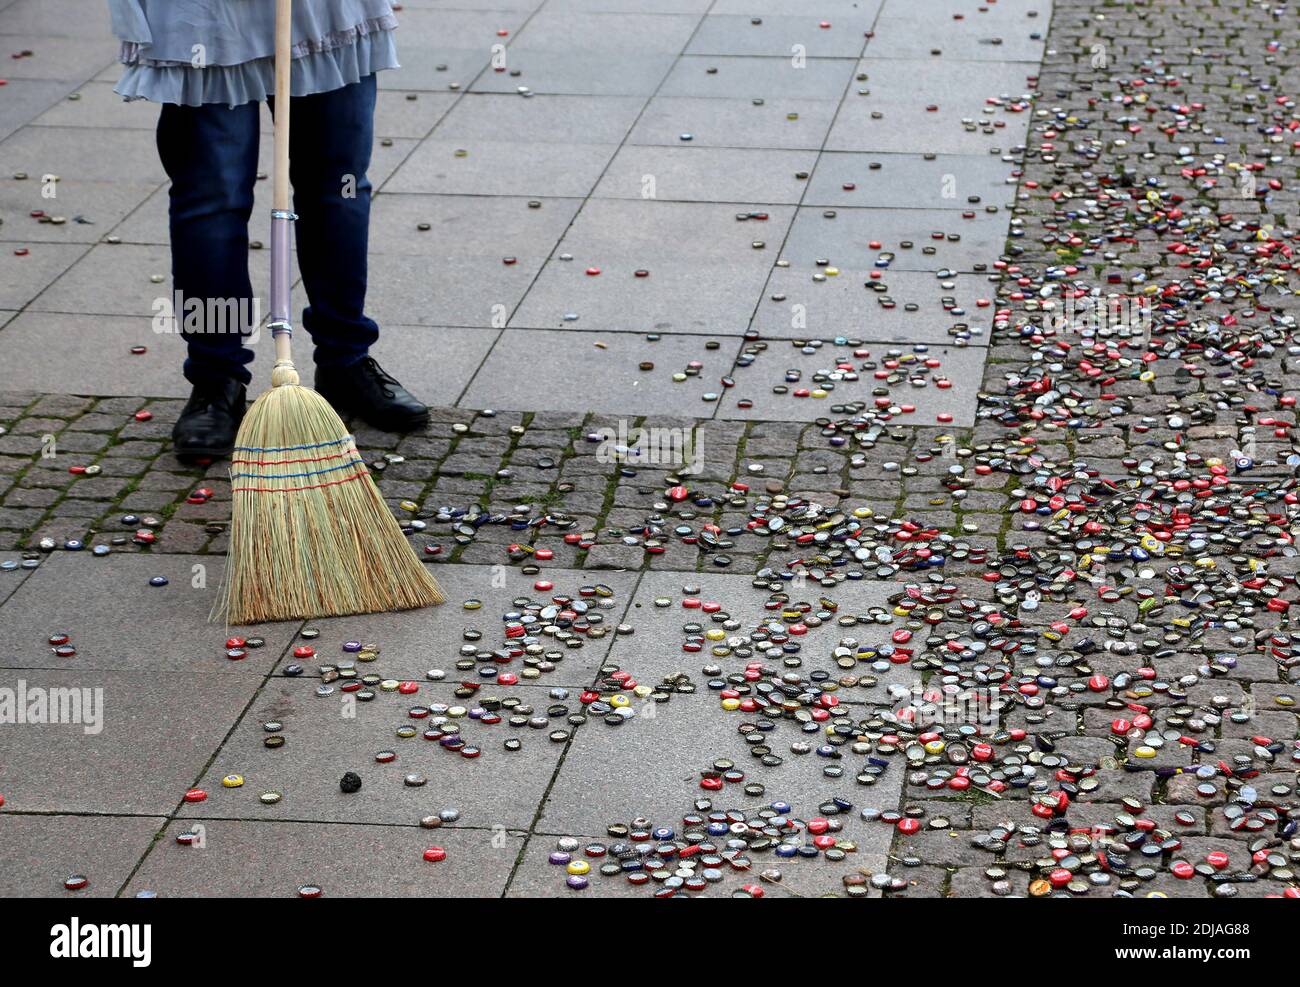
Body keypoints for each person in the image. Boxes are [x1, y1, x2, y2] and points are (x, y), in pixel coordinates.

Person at [107, 0, 428, 460]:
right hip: (207, 21)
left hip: (324, 14)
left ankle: (345, 359)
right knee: (211, 200)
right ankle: (215, 378)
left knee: (339, 190)